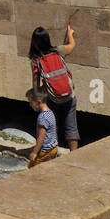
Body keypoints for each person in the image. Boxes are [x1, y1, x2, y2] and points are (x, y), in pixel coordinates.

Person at [29, 24, 79, 152]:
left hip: (52, 98)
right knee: (71, 126)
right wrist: (70, 34)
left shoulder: (36, 60)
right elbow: (72, 46)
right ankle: (75, 153)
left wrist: (37, 101)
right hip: (69, 95)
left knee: (52, 126)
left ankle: (52, 152)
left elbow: (36, 83)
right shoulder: (59, 50)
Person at [26, 88, 59, 168]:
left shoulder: (42, 117)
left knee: (32, 168)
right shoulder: (50, 112)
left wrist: (34, 152)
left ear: (38, 102)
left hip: (45, 151)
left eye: (31, 102)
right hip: (53, 148)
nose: (30, 105)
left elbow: (41, 138)